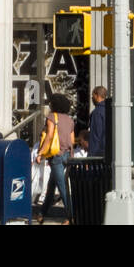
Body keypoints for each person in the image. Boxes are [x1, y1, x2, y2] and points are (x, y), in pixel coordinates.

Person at [36, 94, 75, 225]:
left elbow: (49, 136)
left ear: (53, 104)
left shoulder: (52, 117)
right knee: (51, 185)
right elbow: (73, 140)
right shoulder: (70, 120)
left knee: (62, 186)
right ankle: (42, 214)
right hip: (67, 156)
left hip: (56, 155)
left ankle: (71, 216)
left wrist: (40, 153)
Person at [88, 86, 108, 159]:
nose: (92, 98)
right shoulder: (110, 110)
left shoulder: (97, 113)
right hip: (110, 152)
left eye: (92, 96)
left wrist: (90, 156)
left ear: (97, 95)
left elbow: (95, 135)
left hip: (98, 154)